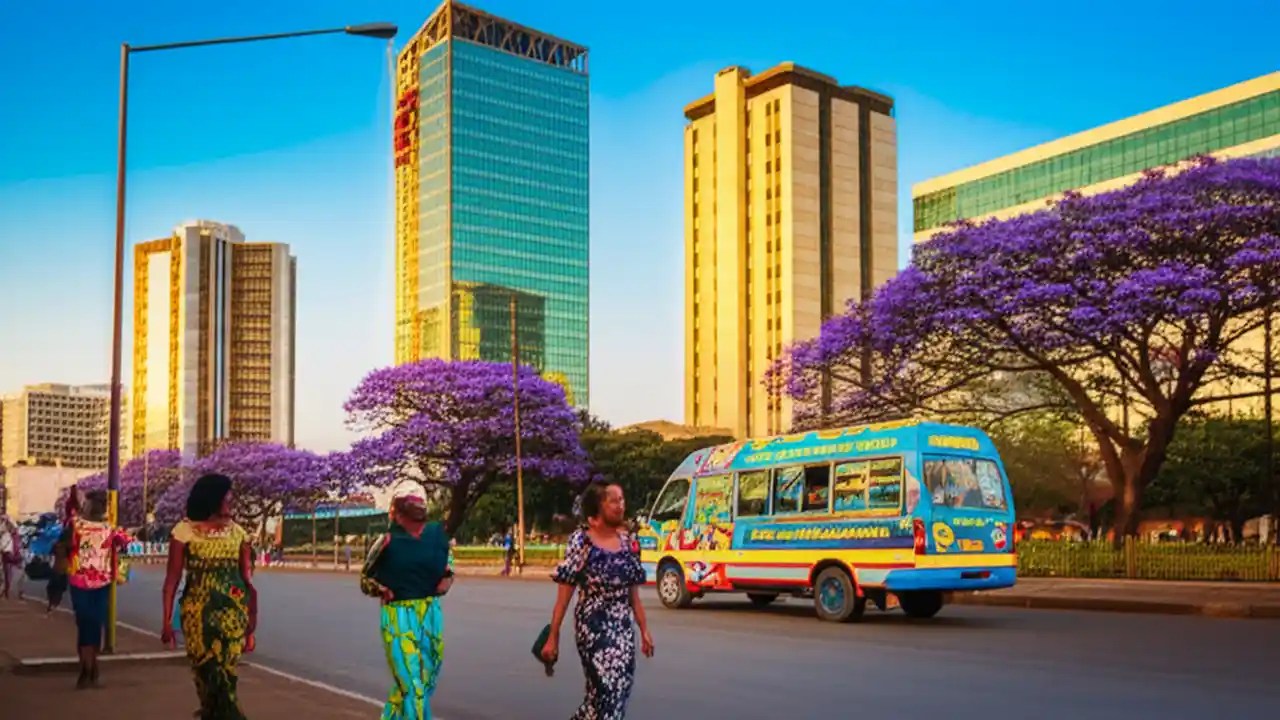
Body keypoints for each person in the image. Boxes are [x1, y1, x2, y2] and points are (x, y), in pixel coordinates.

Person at [542, 482, 654, 720]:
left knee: (615, 692)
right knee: (607, 689)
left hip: (623, 630)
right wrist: (553, 636)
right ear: (595, 512)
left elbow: (633, 596)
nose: (620, 505)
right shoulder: (582, 543)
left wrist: (644, 630)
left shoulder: (629, 545)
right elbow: (564, 596)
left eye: (622, 499)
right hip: (593, 631)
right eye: (613, 501)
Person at [161, 474, 257, 720]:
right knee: (205, 676)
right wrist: (166, 621)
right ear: (214, 498)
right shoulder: (183, 531)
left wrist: (250, 629)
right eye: (227, 495)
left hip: (233, 616)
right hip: (198, 616)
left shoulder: (239, 533)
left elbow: (248, 583)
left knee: (226, 676)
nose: (231, 500)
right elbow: (171, 581)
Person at [360, 483, 454, 720]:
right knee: (412, 686)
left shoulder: (436, 535)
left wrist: (448, 579)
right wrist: (380, 589)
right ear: (399, 513)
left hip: (430, 612)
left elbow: (447, 567)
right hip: (398, 615)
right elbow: (364, 579)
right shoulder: (387, 542)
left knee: (424, 678)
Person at [62, 490, 129, 689]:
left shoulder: (106, 529)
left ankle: (89, 669)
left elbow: (126, 543)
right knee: (88, 625)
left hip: (92, 583)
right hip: (86, 583)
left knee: (89, 625)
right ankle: (88, 668)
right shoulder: (78, 526)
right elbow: (126, 542)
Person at [0, 512, 21, 599]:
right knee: (6, 573)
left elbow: (15, 528)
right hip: (5, 552)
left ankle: (6, 591)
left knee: (7, 573)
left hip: (7, 553)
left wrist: (8, 520)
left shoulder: (9, 531)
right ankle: (5, 590)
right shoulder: (4, 530)